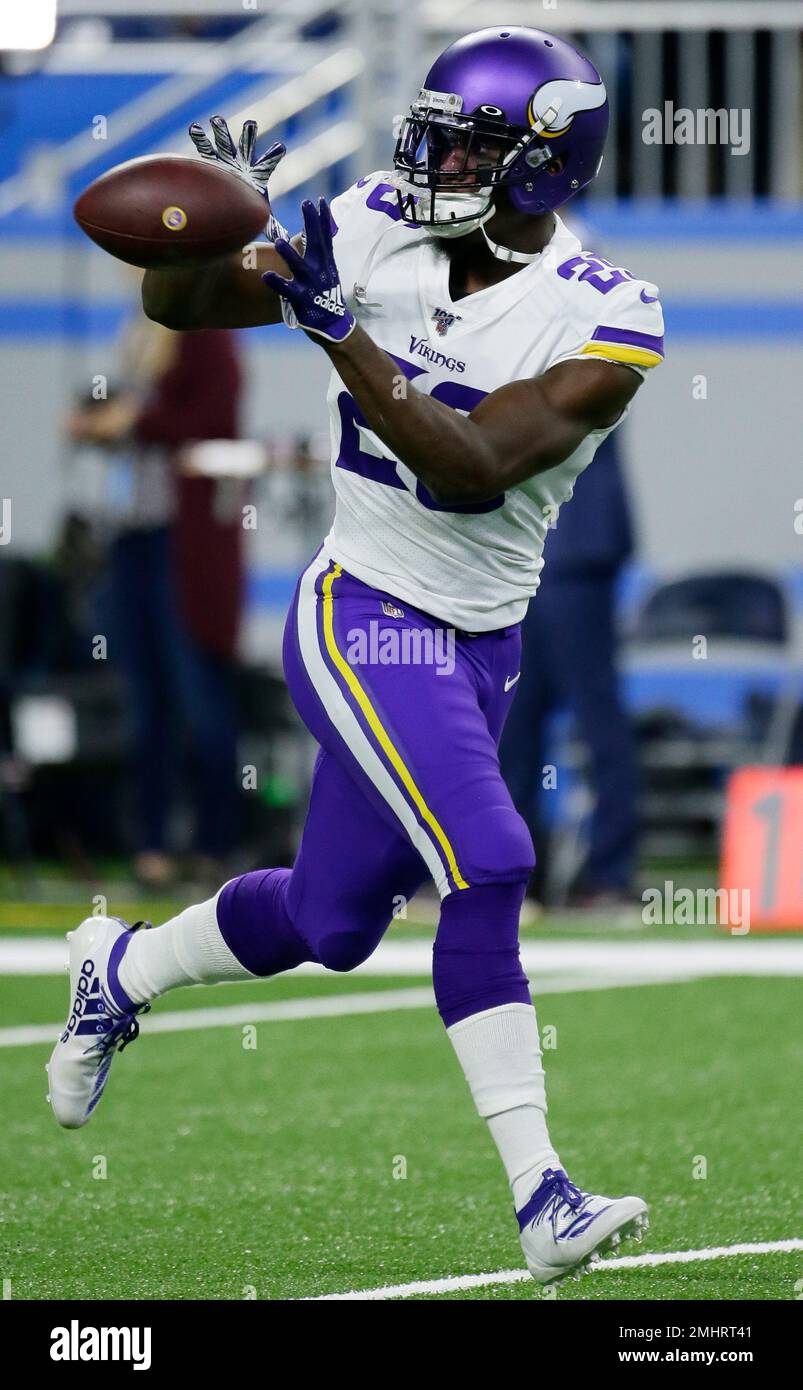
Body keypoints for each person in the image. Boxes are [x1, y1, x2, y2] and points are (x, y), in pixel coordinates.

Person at [48, 26, 664, 1284]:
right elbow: (187, 304)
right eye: (429, 138)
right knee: (490, 855)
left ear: (541, 165)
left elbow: (474, 467)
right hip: (363, 613)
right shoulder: (378, 222)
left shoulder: (606, 313)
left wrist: (337, 329)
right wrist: (210, 234)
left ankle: (122, 966)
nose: (430, 166)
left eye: (466, 148)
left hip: (480, 642)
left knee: (329, 921)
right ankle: (541, 1194)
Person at [67, 319, 245, 887]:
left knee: (198, 692)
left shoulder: (206, 332)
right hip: (135, 536)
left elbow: (213, 420)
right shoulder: (139, 334)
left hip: (185, 545)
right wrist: (107, 421)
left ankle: (214, 843)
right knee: (146, 701)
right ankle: (152, 844)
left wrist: (133, 421)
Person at [499, 428, 639, 908]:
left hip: (574, 548)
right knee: (514, 718)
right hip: (518, 548)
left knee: (596, 716)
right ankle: (518, 872)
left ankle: (609, 873)